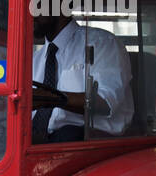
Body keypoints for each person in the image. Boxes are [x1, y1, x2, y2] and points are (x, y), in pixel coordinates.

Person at [31, 10, 133, 143]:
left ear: (60, 2)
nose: (30, 12)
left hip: (87, 143)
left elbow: (106, 102)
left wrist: (50, 98)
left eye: (37, 3)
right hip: (38, 142)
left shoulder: (102, 43)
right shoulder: (36, 59)